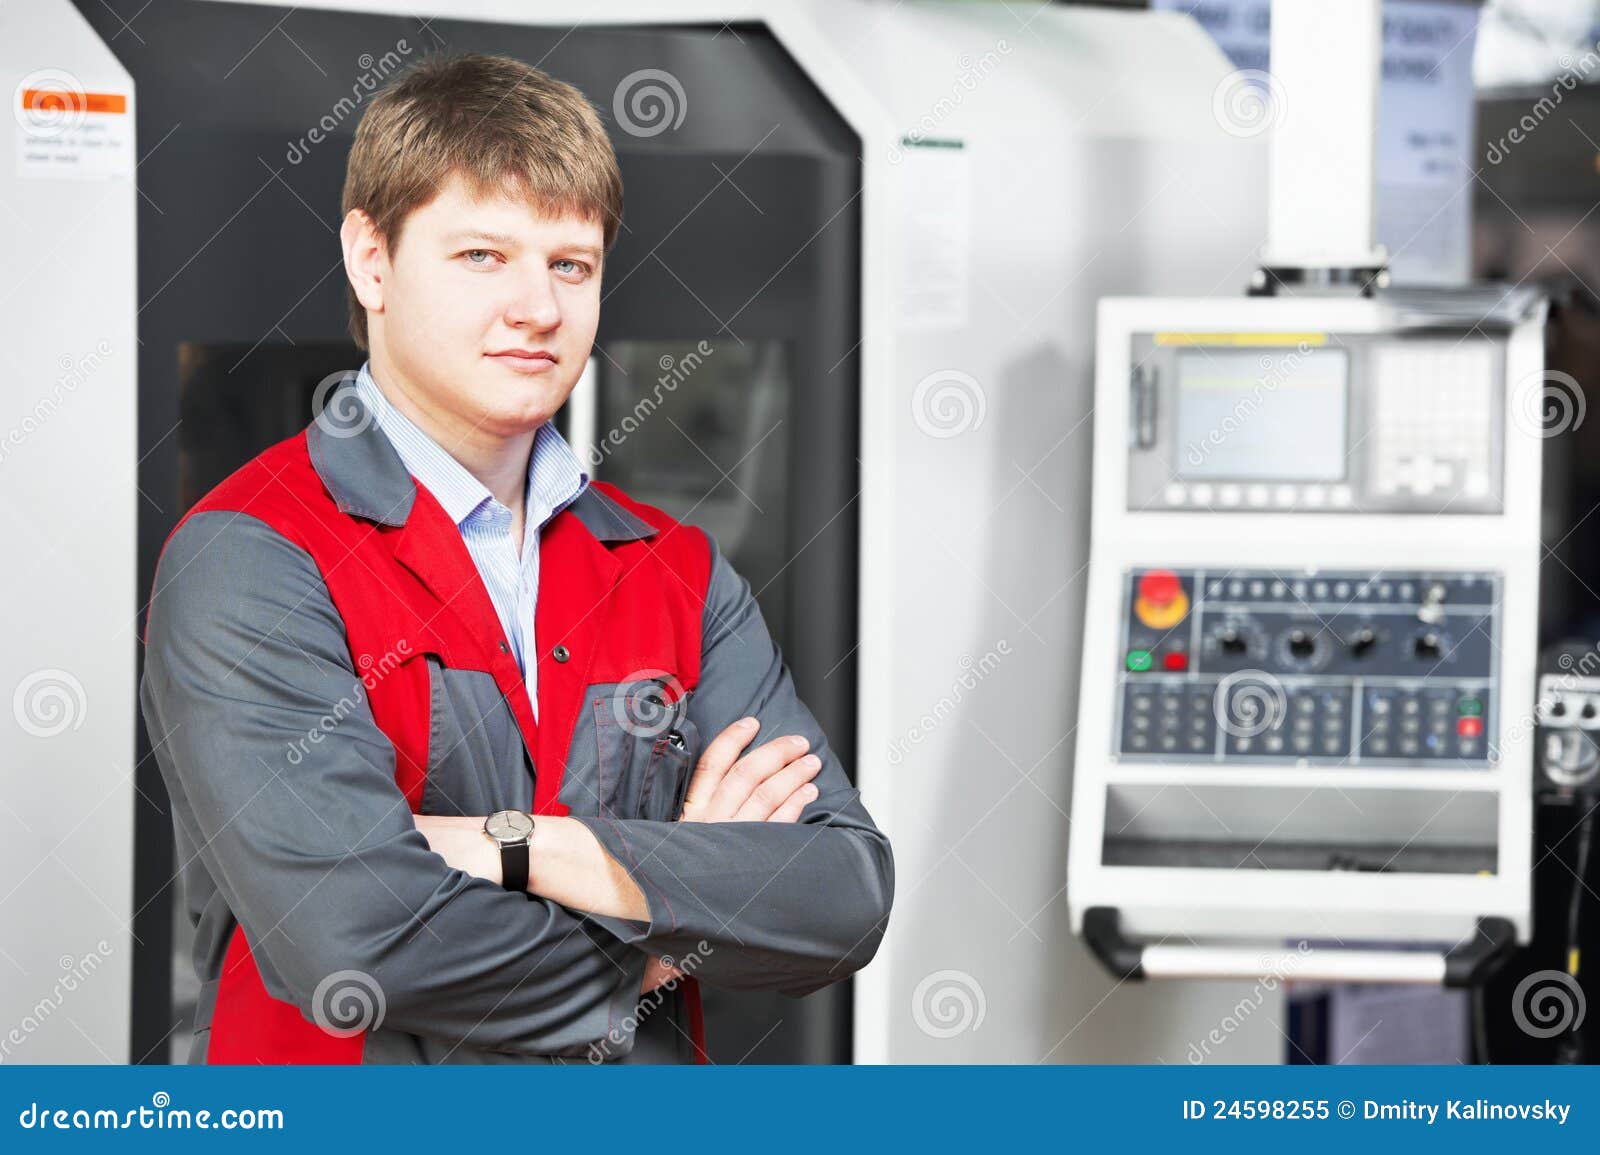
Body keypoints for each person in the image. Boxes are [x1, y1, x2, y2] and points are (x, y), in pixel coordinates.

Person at [138, 52, 893, 1065]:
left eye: (570, 264)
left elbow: (841, 895)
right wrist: (666, 942)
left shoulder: (676, 570)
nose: (537, 307)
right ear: (372, 259)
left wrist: (531, 847)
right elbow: (357, 943)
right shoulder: (253, 559)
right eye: (483, 257)